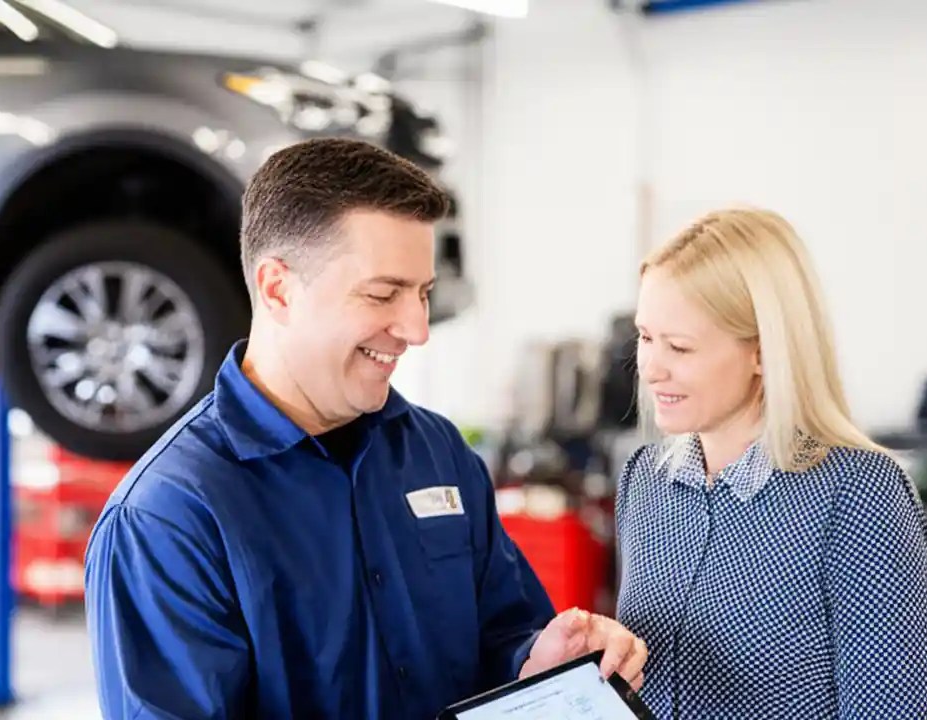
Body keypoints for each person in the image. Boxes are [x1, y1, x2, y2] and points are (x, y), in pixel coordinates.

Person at [84, 138, 648, 720]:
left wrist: (542, 665)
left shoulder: (438, 453)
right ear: (278, 289)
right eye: (383, 294)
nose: (417, 329)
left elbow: (503, 636)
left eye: (423, 293)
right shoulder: (168, 515)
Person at [615, 207, 927, 719]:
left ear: (764, 352)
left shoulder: (859, 494)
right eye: (646, 337)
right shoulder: (644, 480)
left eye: (679, 347)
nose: (650, 369)